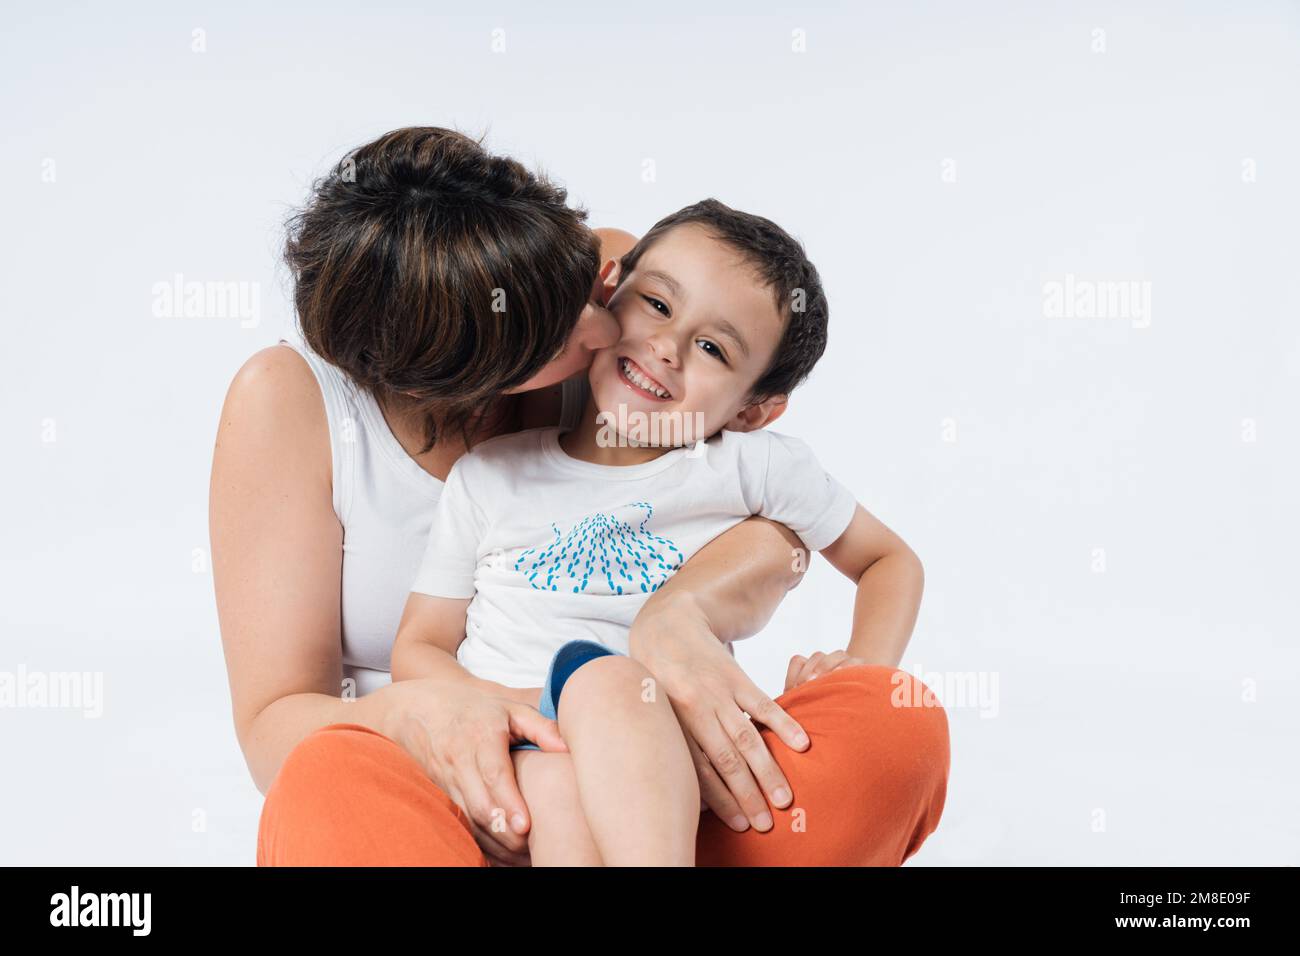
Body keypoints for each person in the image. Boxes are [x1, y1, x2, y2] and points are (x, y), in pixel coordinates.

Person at [210, 126, 950, 867]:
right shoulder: (391, 441)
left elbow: (766, 508)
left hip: (664, 777)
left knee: (895, 730)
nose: (606, 321)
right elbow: (288, 720)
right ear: (464, 376)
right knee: (323, 783)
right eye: (564, 324)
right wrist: (448, 712)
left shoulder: (620, 291)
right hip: (448, 792)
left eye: (599, 289)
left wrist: (684, 613)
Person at [392, 199, 932, 866]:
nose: (666, 347)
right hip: (510, 751)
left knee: (616, 692)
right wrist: (524, 710)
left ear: (755, 410)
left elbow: (889, 561)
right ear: (611, 288)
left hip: (669, 769)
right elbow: (419, 649)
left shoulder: (750, 467)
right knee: (593, 702)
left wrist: (860, 670)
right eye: (656, 304)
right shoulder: (491, 475)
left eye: (712, 348)